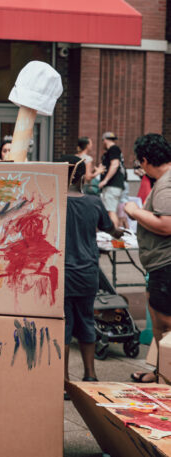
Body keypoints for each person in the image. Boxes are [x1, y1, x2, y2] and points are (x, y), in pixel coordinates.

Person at [59, 155, 123, 399]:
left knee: (63, 326)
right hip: (87, 273)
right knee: (86, 321)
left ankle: (63, 382)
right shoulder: (94, 202)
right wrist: (119, 231)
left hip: (63, 273)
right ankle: (90, 376)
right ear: (81, 176)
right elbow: (110, 228)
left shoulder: (54, 203)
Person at [123, 134, 171, 383]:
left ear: (145, 160)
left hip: (165, 264)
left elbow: (166, 225)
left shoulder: (165, 184)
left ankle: (166, 376)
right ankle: (161, 372)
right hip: (160, 264)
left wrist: (134, 211)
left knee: (164, 323)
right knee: (160, 323)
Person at [99, 132, 126, 228]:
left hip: (112, 185)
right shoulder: (113, 150)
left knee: (110, 211)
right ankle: (114, 233)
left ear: (104, 140)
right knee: (111, 210)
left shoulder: (113, 149)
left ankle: (114, 234)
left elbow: (115, 164)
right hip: (115, 185)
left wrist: (105, 180)